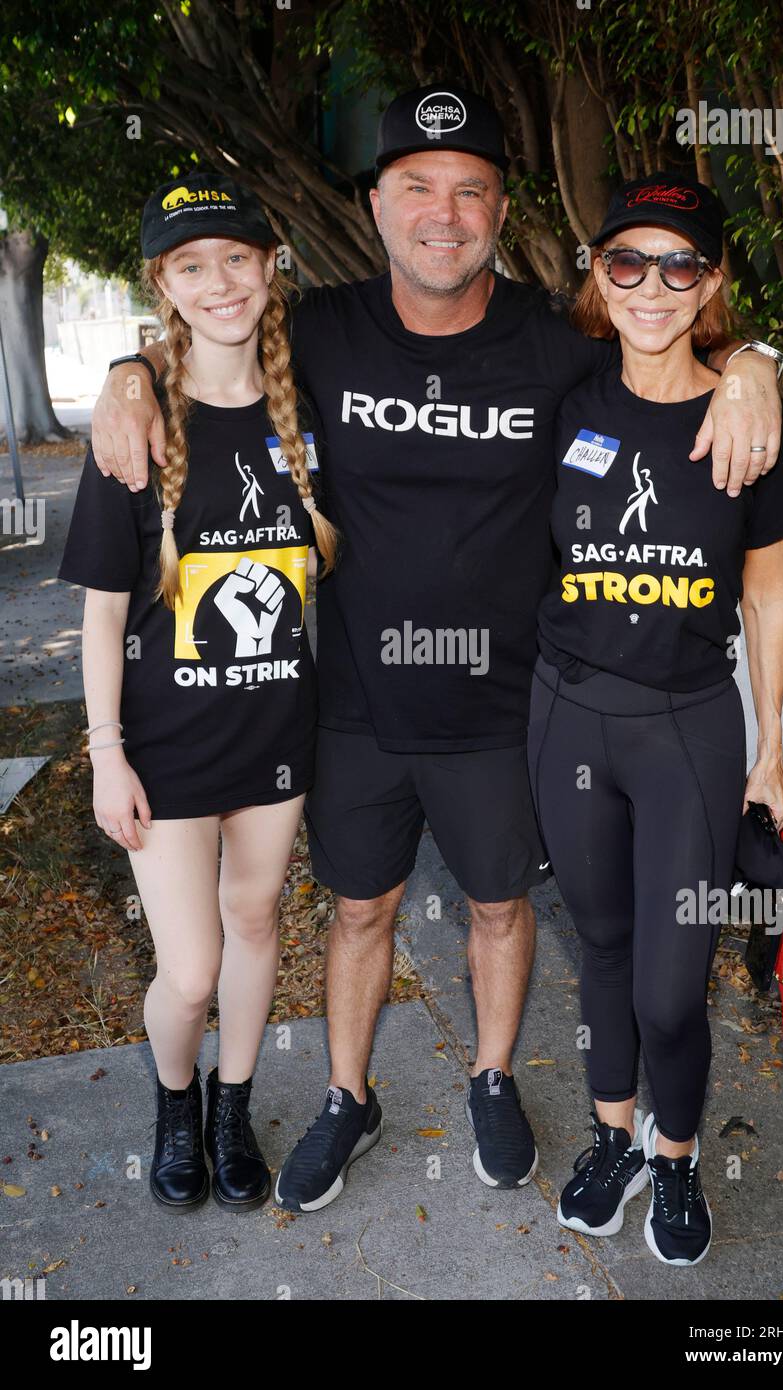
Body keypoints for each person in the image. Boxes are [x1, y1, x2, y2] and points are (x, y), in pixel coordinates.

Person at [87, 84, 783, 1212]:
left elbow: (674, 360)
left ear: (503, 211)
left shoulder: (558, 352)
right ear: (375, 205)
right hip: (354, 708)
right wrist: (128, 374)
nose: (444, 212)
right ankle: (347, 1097)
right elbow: (210, 346)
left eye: (471, 189)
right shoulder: (316, 333)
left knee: (502, 909)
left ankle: (493, 1075)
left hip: (508, 711)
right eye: (417, 185)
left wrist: (757, 357)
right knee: (358, 910)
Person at [527, 173, 783, 1265]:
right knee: (598, 943)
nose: (653, 285)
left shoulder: (751, 417)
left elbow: (770, 592)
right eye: (627, 261)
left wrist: (774, 749)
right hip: (567, 717)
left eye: (682, 262)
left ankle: (678, 1152)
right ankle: (614, 1140)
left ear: (715, 283)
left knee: (669, 985)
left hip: (689, 727)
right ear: (597, 276)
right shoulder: (567, 387)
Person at [58, 172, 336, 1211]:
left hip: (276, 732)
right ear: (162, 286)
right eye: (190, 266)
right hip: (165, 747)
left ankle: (232, 1108)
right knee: (189, 972)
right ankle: (175, 1101)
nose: (218, 281)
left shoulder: (308, 406)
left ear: (270, 267)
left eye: (235, 257)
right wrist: (107, 751)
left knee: (258, 922)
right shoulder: (135, 429)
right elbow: (97, 614)